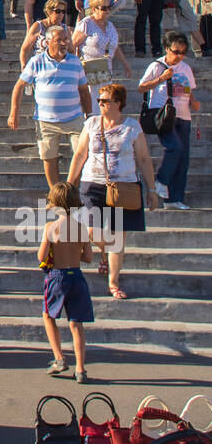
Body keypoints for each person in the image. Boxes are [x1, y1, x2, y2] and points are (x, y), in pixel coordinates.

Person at [66, 82, 158, 302]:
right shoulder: (91, 123)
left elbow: (144, 158)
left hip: (125, 186)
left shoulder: (132, 127)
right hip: (93, 183)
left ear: (118, 103)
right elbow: (80, 154)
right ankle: (105, 253)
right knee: (91, 232)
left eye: (105, 101)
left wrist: (152, 188)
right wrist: (69, 184)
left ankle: (114, 282)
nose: (100, 104)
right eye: (99, 100)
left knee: (118, 237)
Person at [10, 25, 91, 187]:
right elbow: (19, 86)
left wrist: (90, 116)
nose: (63, 43)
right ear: (47, 42)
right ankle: (56, 194)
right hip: (45, 121)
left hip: (74, 118)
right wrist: (14, 113)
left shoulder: (75, 62)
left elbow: (83, 90)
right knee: (48, 157)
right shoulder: (36, 61)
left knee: (82, 154)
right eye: (58, 40)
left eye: (66, 39)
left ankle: (71, 190)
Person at [38, 183, 95, 380]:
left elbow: (41, 255)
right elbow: (88, 257)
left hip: (57, 277)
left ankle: (59, 358)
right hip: (77, 276)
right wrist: (73, 255)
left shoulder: (51, 227)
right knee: (76, 323)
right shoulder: (81, 228)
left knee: (49, 316)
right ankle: (80, 369)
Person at [138, 32, 199, 211]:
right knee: (174, 147)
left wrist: (193, 101)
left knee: (183, 159)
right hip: (163, 114)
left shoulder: (185, 68)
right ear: (167, 49)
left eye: (183, 52)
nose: (179, 56)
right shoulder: (157, 66)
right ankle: (161, 181)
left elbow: (190, 88)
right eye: (176, 51)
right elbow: (141, 86)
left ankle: (174, 198)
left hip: (184, 115)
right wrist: (161, 79)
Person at [72, 0, 132, 112]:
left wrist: (125, 64)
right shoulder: (86, 24)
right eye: (103, 8)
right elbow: (73, 45)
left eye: (109, 7)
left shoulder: (110, 25)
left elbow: (115, 47)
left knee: (106, 102)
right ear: (94, 9)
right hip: (90, 69)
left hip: (106, 69)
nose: (107, 11)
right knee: (93, 103)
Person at [19, 0, 73, 69]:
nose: (61, 14)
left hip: (60, 67)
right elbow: (25, 49)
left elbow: (71, 50)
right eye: (58, 11)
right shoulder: (38, 26)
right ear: (49, 11)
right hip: (41, 66)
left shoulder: (65, 29)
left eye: (63, 12)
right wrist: (23, 65)